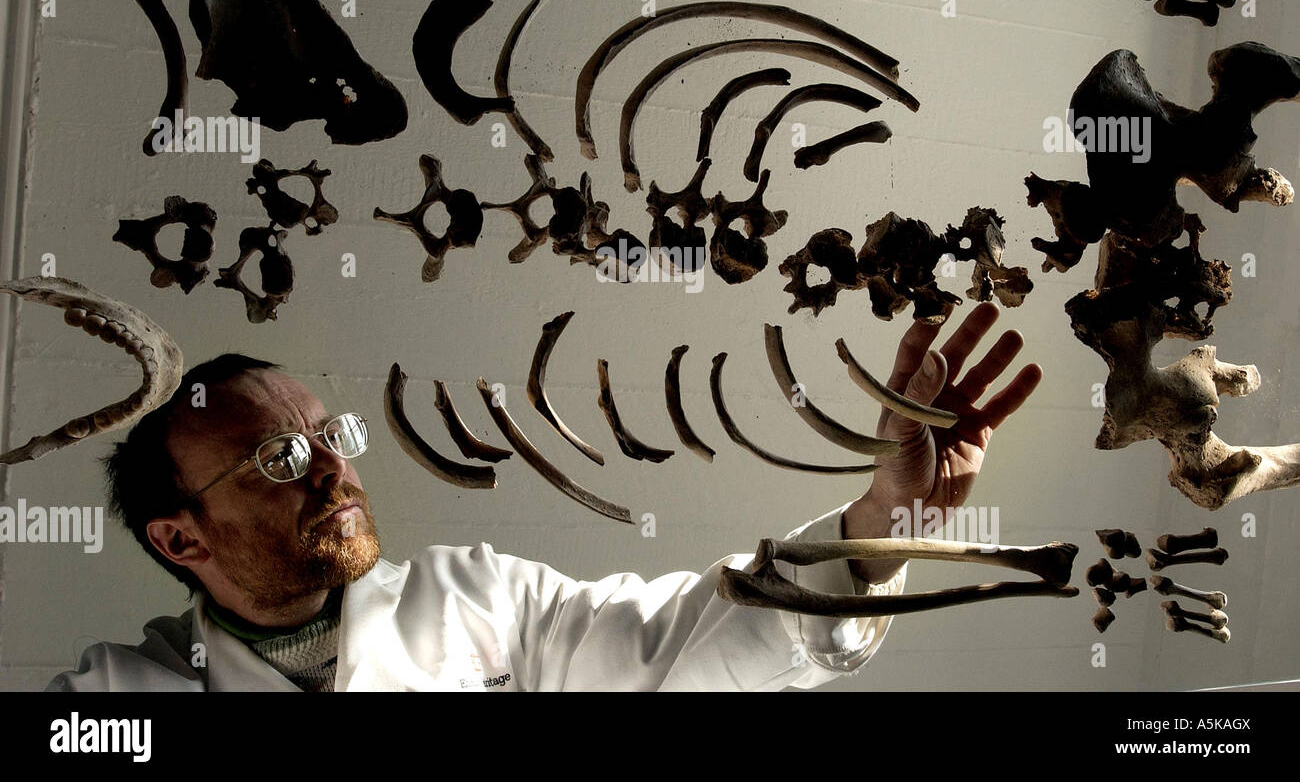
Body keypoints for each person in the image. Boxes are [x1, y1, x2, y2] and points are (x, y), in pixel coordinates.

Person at [47, 302, 1039, 691]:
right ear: (181, 540)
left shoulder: (478, 603)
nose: (332, 470)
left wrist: (883, 522)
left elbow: (689, 641)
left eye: (327, 438)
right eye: (274, 460)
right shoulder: (113, 700)